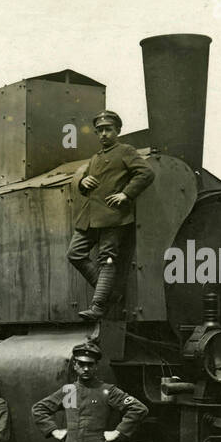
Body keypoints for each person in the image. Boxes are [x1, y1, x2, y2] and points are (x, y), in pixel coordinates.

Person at [68, 111, 154, 322]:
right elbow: (86, 181)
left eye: (108, 129)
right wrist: (82, 182)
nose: (104, 134)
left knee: (106, 259)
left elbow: (146, 173)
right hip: (90, 216)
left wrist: (126, 194)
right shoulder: (95, 158)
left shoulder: (125, 151)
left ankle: (98, 306)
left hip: (114, 216)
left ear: (117, 131)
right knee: (75, 254)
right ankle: (111, 294)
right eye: (100, 131)